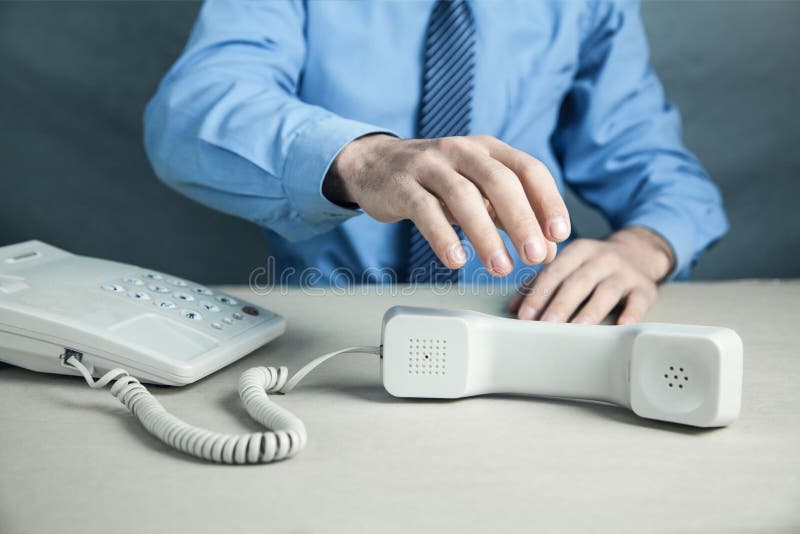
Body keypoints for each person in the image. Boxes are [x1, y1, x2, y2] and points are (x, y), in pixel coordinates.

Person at [144, 0, 728, 325]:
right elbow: (192, 111)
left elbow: (661, 172)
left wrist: (640, 249)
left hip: (530, 326)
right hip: (325, 335)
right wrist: (366, 160)